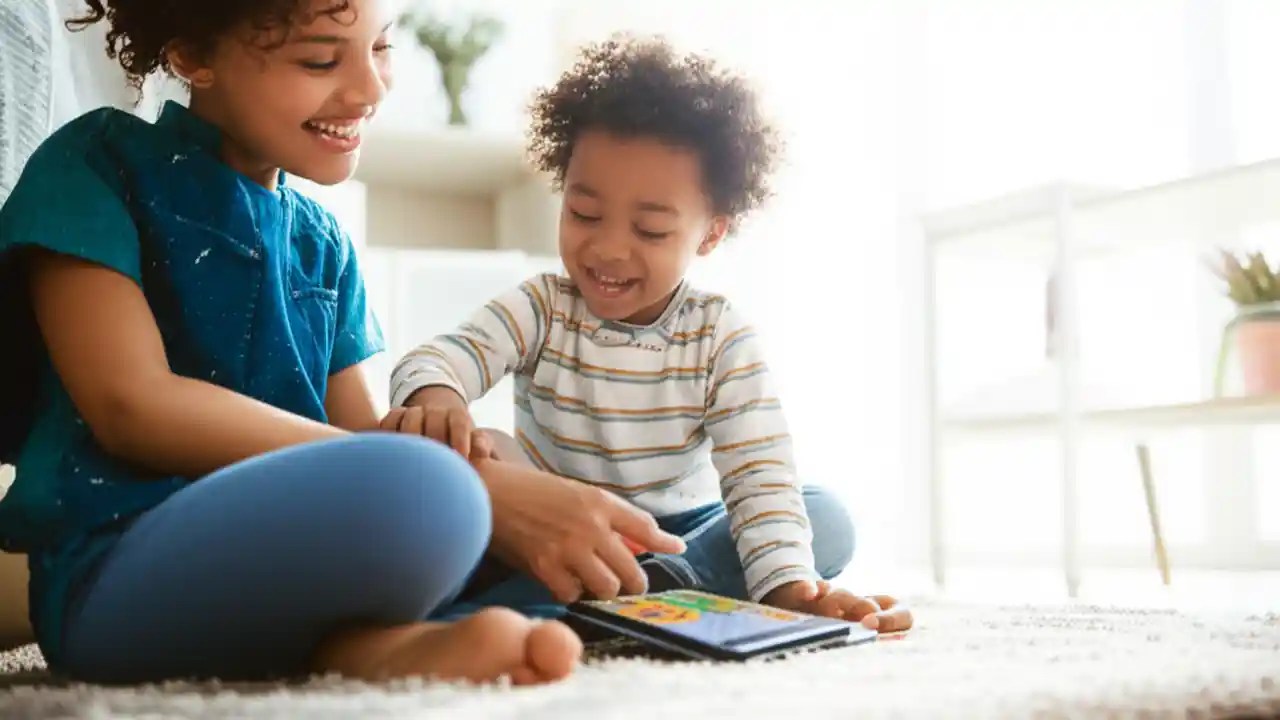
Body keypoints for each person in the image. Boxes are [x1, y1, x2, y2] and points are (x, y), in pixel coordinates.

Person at [0, 0, 693, 685]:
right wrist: (471, 487)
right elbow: (132, 404)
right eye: (321, 58)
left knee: (496, 464)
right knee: (439, 494)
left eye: (381, 48)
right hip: (117, 561)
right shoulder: (97, 164)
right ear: (192, 56)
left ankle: (376, 652)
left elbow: (358, 435)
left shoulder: (321, 241)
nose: (369, 89)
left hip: (286, 555)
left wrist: (449, 441)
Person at [388, 36, 913, 632]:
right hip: (561, 535)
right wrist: (438, 394)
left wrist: (790, 590)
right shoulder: (541, 307)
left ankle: (627, 599)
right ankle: (605, 603)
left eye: (652, 229)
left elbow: (759, 471)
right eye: (584, 214)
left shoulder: (719, 336)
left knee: (824, 515)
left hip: (674, 540)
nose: (609, 249)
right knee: (479, 460)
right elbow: (438, 357)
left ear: (710, 235)